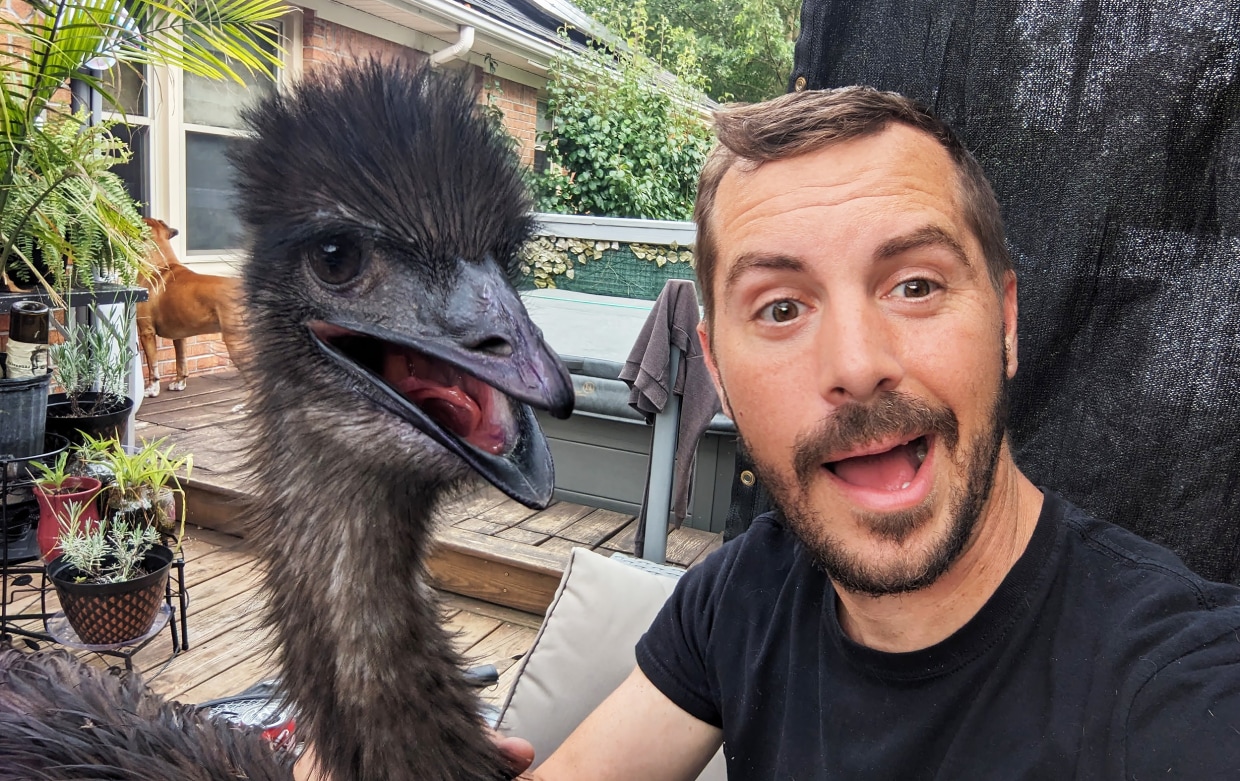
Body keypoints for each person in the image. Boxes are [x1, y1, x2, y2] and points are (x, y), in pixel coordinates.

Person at [518, 87, 1240, 779]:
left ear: (1006, 321)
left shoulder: (1176, 688)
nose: (857, 367)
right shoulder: (744, 593)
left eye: (915, 286)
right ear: (716, 371)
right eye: (779, 309)